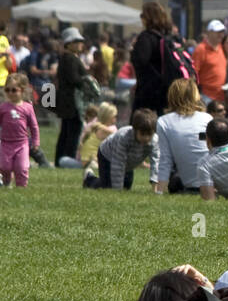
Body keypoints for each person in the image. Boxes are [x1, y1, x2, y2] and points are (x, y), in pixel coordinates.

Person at [154, 78, 213, 194]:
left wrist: (159, 191)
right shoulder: (207, 118)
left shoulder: (164, 122)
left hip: (190, 185)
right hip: (212, 183)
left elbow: (165, 160)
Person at [55, 27, 101, 165]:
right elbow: (74, 79)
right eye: (76, 41)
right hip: (73, 102)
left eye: (80, 41)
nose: (80, 44)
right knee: (73, 133)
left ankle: (60, 160)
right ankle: (68, 160)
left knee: (66, 132)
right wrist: (87, 80)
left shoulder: (67, 58)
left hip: (67, 101)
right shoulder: (70, 59)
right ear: (68, 44)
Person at [84, 108, 160, 190]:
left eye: (149, 134)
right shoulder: (124, 137)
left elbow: (155, 163)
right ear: (135, 130)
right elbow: (118, 163)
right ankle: (89, 178)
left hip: (128, 161)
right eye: (143, 134)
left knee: (126, 187)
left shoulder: (154, 141)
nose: (146, 138)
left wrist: (155, 187)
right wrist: (118, 191)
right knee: (108, 187)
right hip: (107, 155)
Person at [130, 2, 174, 117]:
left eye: (143, 15)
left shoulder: (146, 37)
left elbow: (140, 61)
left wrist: (133, 50)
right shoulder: (167, 36)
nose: (141, 18)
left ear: (148, 18)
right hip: (166, 92)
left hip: (147, 94)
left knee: (141, 124)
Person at [0, 74, 39, 187]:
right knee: (4, 167)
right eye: (7, 90)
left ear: (22, 90)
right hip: (5, 143)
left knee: (21, 167)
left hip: (21, 143)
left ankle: (21, 186)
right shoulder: (3, 107)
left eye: (14, 90)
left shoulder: (27, 107)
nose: (10, 93)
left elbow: (34, 126)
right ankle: (6, 183)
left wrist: (35, 142)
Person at [192, 20, 228, 104]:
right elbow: (193, 73)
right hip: (206, 96)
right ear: (209, 33)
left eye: (222, 32)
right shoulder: (201, 49)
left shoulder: (221, 47)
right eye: (218, 32)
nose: (221, 35)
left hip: (220, 96)